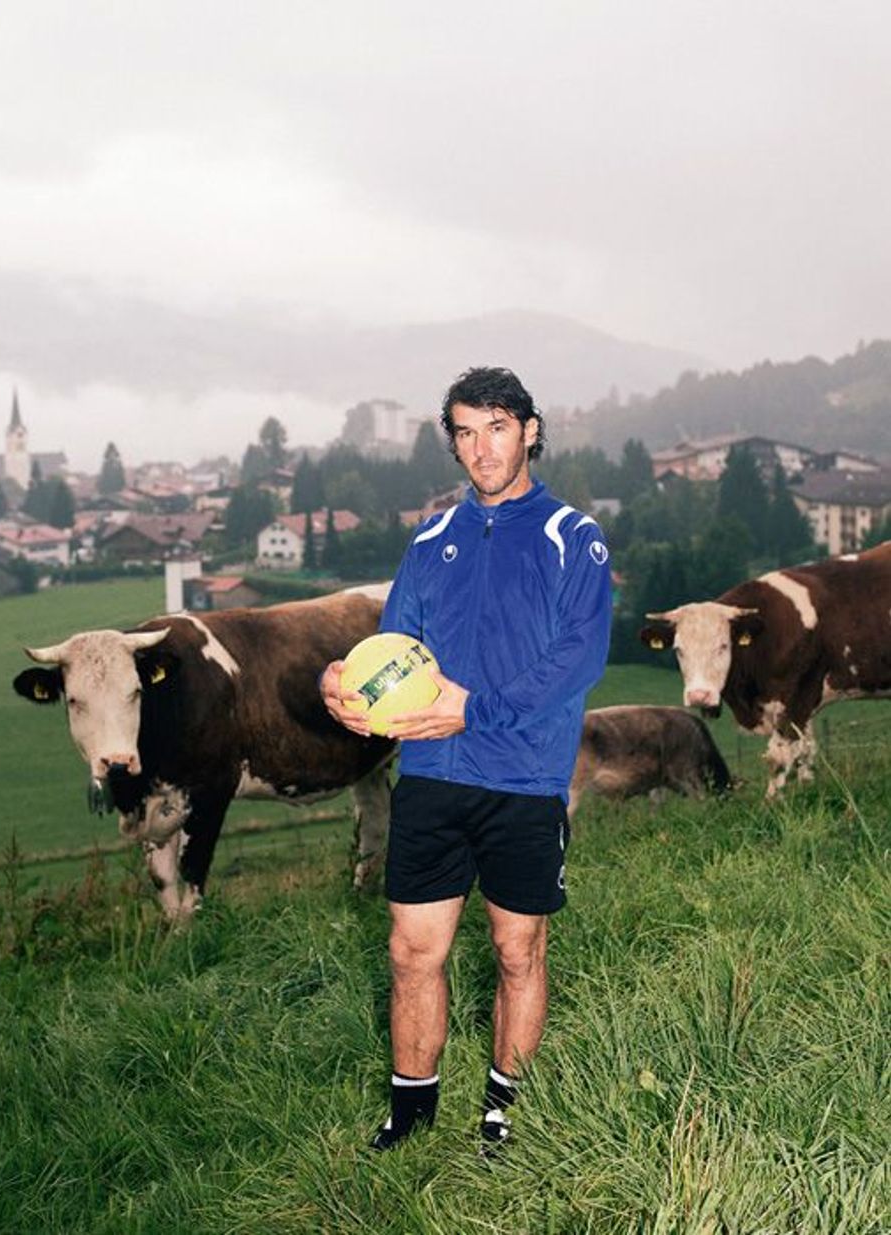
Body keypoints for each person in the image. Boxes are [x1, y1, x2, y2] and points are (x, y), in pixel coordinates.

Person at [320, 366, 613, 1153]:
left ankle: (504, 1106)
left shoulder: (571, 536)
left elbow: (579, 659)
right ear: (451, 442)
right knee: (413, 951)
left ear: (531, 430)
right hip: (432, 778)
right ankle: (412, 1114)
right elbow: (390, 653)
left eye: (497, 428)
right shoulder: (430, 540)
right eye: (465, 432)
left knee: (519, 950)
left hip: (524, 777)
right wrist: (338, 683)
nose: (482, 449)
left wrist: (473, 709)